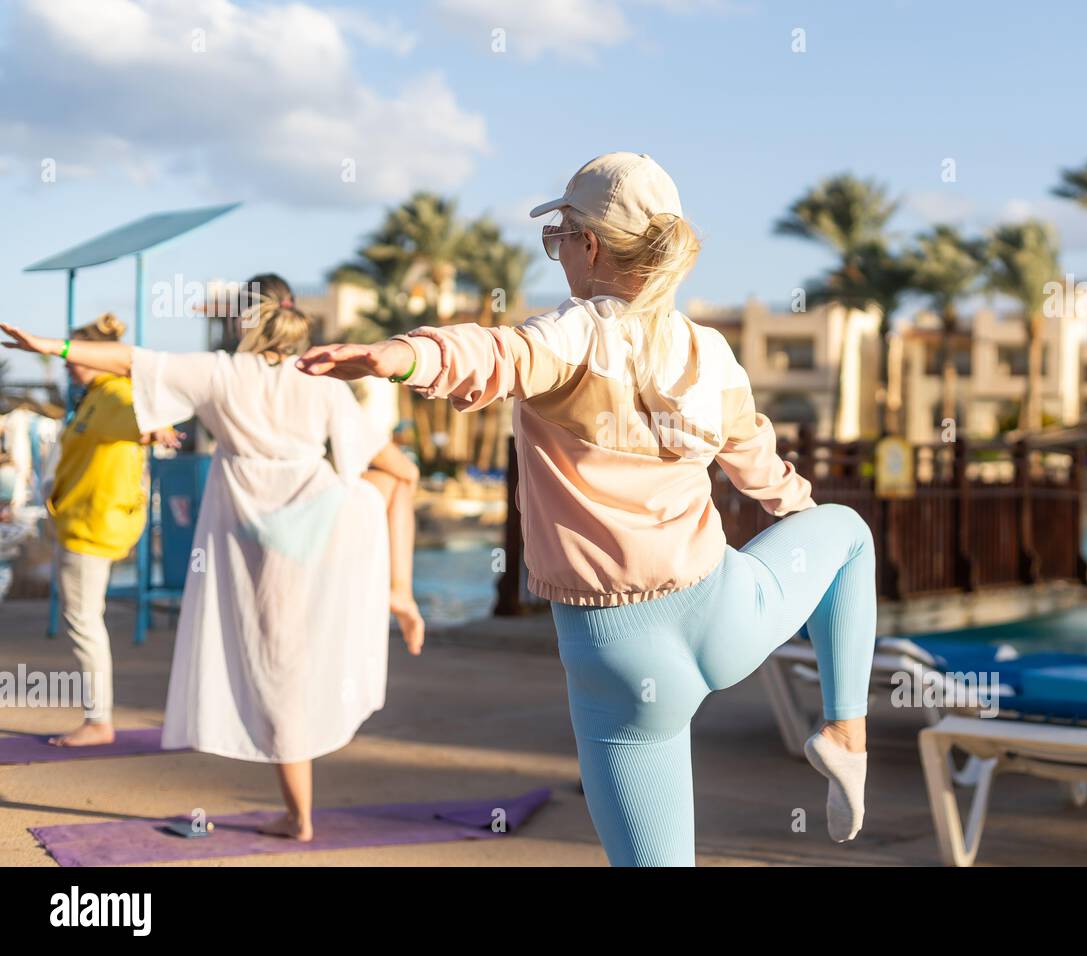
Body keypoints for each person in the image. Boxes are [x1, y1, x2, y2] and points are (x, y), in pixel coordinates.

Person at [297, 153, 877, 866]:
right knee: (846, 535)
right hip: (724, 611)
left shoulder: (574, 336)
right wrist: (804, 555)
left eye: (559, 237)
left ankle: (844, 734)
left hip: (617, 653)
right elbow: (769, 481)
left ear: (590, 244)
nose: (558, 253)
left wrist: (402, 356)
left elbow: (492, 353)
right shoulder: (710, 356)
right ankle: (846, 733)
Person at [3, 274, 422, 841]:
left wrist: (53, 347)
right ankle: (399, 588)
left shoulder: (221, 373)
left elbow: (132, 360)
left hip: (255, 535)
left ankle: (298, 816)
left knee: (276, 670)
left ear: (244, 321)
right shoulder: (321, 383)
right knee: (397, 484)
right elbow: (390, 466)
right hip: (316, 522)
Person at [42, 313, 177, 746]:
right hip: (80, 523)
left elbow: (140, 417)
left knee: (83, 620)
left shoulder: (116, 393)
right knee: (82, 618)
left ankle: (99, 720)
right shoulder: (95, 395)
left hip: (94, 528)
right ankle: (97, 717)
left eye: (77, 357)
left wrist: (157, 425)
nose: (68, 364)